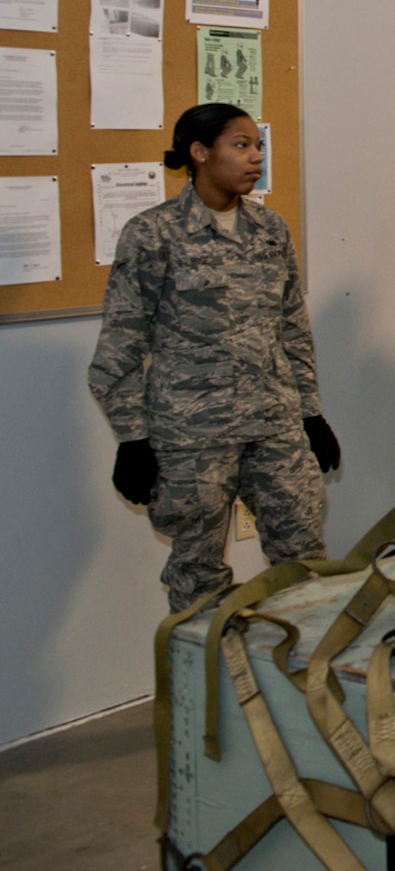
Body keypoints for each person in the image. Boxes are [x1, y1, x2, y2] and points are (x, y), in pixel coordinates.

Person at [88, 104, 338, 612]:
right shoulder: (153, 234)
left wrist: (310, 412)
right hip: (192, 438)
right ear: (199, 154)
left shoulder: (270, 229)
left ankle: (296, 682)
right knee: (197, 576)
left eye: (258, 146)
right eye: (241, 146)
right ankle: (205, 687)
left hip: (274, 426)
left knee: (305, 563)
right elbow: (119, 348)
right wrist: (133, 438)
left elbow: (292, 328)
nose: (256, 158)